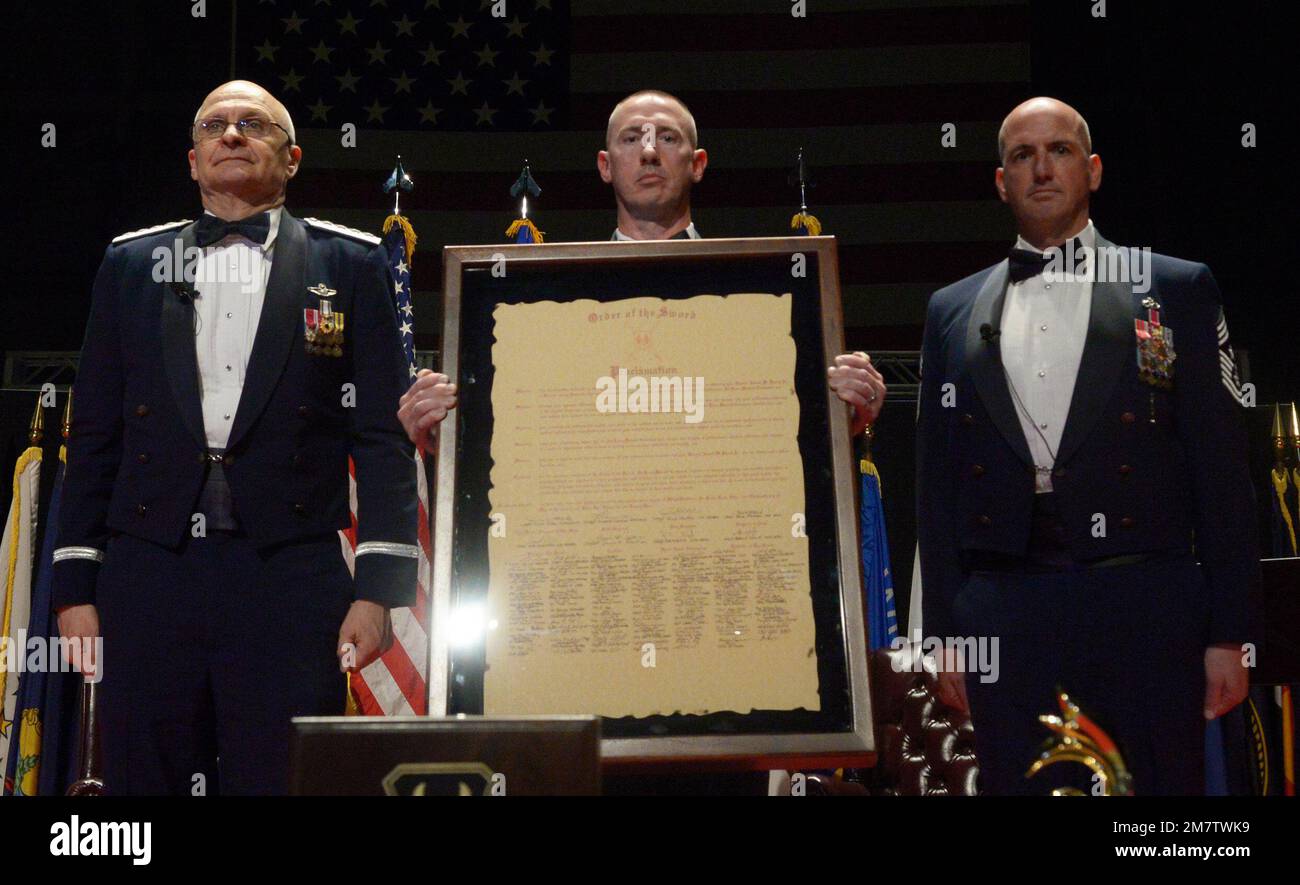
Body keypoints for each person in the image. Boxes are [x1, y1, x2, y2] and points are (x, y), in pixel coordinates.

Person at [52, 80, 418, 795]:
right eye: (215, 125)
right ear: (192, 160)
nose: (232, 134)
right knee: (141, 782)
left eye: (253, 124)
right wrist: (72, 586)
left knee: (279, 778)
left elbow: (381, 436)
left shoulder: (352, 263)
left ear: (293, 158)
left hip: (290, 574)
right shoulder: (130, 264)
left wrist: (378, 589)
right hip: (149, 573)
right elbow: (93, 432)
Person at [916, 97, 1258, 795]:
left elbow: (1223, 473)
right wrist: (944, 633)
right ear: (1001, 181)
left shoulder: (1174, 287)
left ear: (1093, 170)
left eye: (1060, 150)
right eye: (1021, 155)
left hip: (1144, 599)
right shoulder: (950, 309)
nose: (1041, 168)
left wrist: (1231, 631)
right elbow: (935, 485)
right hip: (1005, 606)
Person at [398, 90, 884, 443]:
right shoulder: (549, 303)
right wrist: (446, 435)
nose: (649, 151)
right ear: (605, 166)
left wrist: (843, 415)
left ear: (697, 163)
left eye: (666, 138)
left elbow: (779, 429)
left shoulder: (764, 298)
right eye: (632, 139)